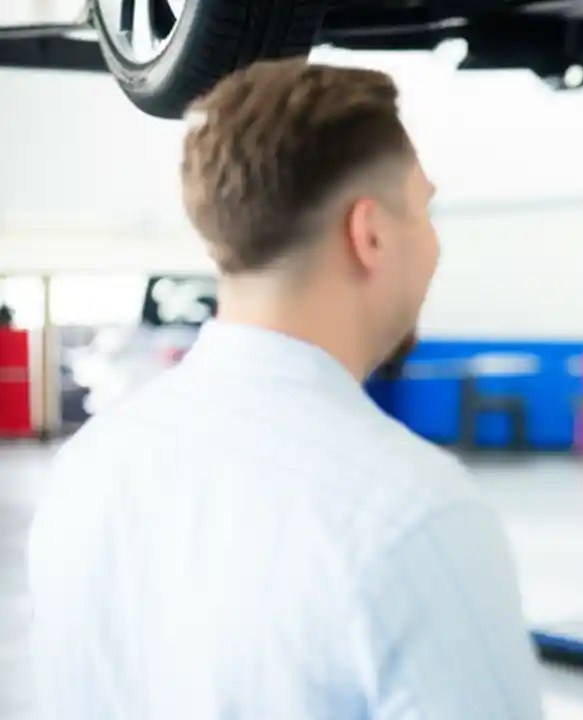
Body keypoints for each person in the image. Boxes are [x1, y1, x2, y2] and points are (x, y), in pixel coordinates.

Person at [27, 60, 545, 720]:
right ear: (371, 233)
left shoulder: (88, 469)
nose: (436, 243)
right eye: (425, 207)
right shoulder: (413, 513)